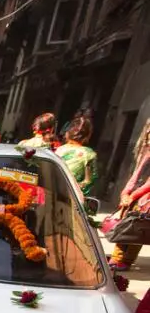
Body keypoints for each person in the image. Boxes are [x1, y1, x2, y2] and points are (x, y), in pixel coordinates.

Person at [109, 119, 150, 271]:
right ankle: (116, 258)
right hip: (135, 195)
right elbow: (136, 173)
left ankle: (126, 260)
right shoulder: (146, 152)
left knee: (138, 229)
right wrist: (126, 192)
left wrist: (133, 195)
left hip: (145, 199)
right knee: (125, 225)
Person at [56, 116, 99, 197]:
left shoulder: (59, 150)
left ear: (67, 133)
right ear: (88, 136)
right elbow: (89, 181)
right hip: (71, 197)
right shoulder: (89, 154)